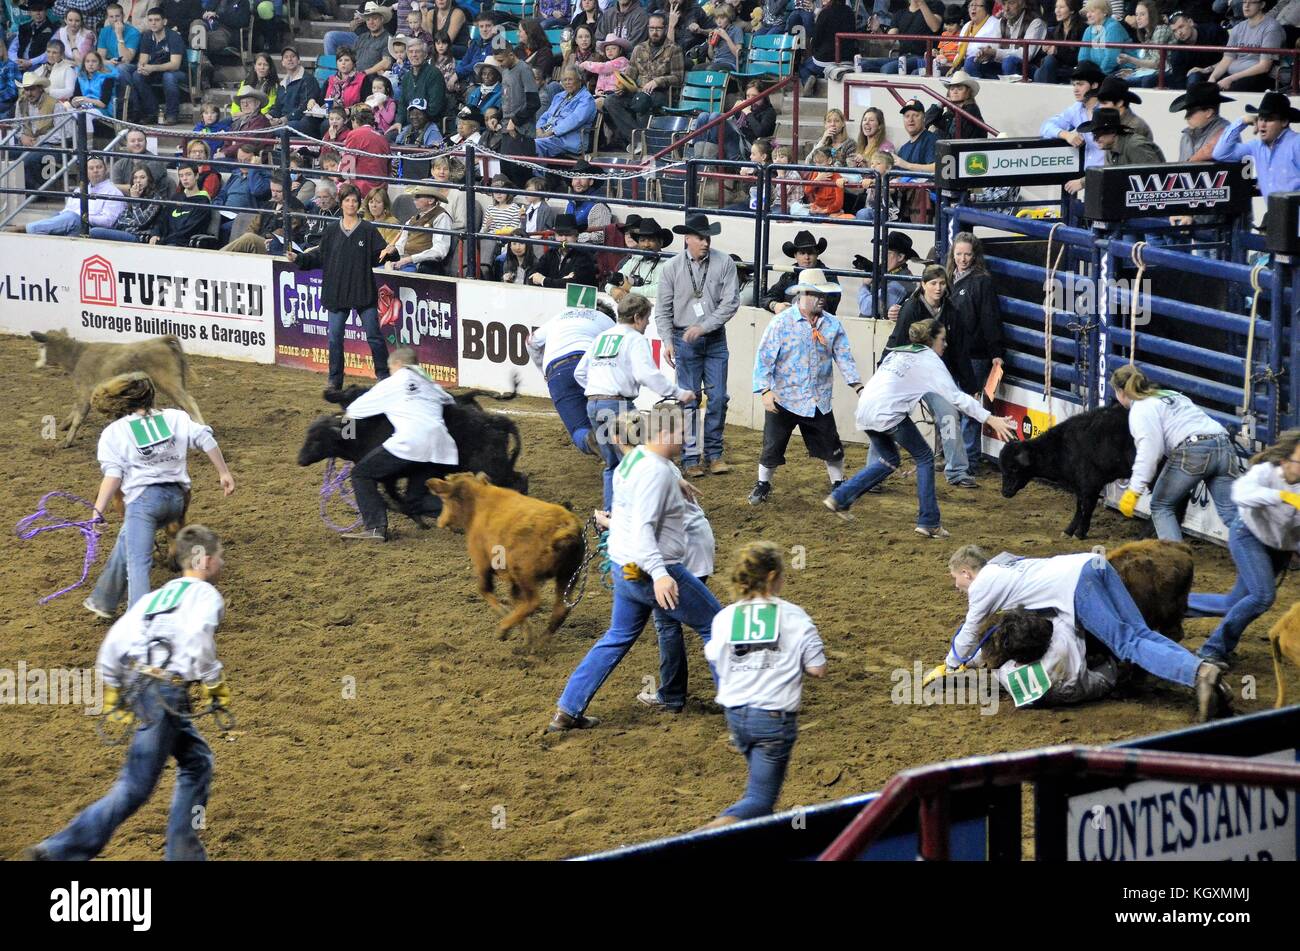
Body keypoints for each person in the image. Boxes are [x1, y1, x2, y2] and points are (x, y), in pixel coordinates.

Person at [26, 524, 230, 861]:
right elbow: (198, 637)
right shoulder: (206, 595)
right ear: (204, 560)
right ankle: (59, 850)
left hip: (141, 685)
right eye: (220, 557)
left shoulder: (155, 596)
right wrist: (213, 682)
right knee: (134, 787)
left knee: (197, 761)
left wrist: (113, 690)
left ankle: (185, 853)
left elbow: (116, 640)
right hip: (166, 693)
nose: (221, 563)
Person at [548, 403, 719, 732]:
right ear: (664, 433)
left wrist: (675, 480)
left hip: (623, 568)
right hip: (650, 567)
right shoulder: (654, 470)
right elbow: (643, 528)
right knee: (716, 625)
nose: (687, 440)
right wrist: (660, 575)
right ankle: (740, 711)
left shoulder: (634, 463)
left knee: (617, 636)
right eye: (682, 433)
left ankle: (567, 710)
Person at [941, 543, 1231, 722]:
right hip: (1090, 564)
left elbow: (970, 631)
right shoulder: (1005, 563)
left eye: (956, 580)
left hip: (1076, 585)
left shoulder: (981, 585)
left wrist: (952, 665)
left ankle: (1200, 674)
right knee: (1139, 632)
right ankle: (1204, 672)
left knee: (1127, 644)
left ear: (967, 572)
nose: (956, 587)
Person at [826, 319, 1013, 533]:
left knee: (889, 460)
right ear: (931, 340)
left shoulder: (899, 352)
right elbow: (956, 397)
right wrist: (990, 418)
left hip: (866, 409)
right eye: (942, 339)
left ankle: (840, 497)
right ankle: (929, 522)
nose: (945, 344)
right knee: (924, 457)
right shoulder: (929, 360)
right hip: (887, 412)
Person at [82, 372, 234, 616]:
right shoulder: (175, 417)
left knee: (138, 563)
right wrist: (224, 473)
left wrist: (97, 510)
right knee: (126, 541)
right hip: (175, 500)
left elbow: (113, 476)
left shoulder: (115, 431)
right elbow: (205, 438)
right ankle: (103, 600)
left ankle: (140, 619)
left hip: (143, 504)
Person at [700, 541, 826, 826]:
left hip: (736, 717)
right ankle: (708, 833)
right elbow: (817, 668)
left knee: (757, 795)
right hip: (772, 718)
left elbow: (714, 657)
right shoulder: (795, 616)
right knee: (759, 799)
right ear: (771, 577)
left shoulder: (724, 617)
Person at [749, 269, 862, 506]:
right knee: (772, 448)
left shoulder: (832, 325)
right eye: (815, 293)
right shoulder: (781, 323)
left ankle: (839, 485)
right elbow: (764, 358)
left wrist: (858, 386)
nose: (822, 298)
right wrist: (765, 391)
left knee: (832, 447)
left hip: (817, 399)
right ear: (802, 295)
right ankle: (762, 484)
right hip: (784, 397)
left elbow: (844, 357)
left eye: (823, 294)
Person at [1189, 431, 1300, 668]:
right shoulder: (1265, 473)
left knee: (1235, 602)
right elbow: (1240, 494)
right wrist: (1280, 496)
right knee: (1262, 597)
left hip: (1278, 548)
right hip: (1249, 536)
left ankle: (1172, 605)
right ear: (1284, 461)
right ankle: (1213, 649)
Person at [575, 294, 696, 507]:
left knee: (613, 464)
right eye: (647, 318)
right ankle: (647, 510)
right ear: (638, 317)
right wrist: (679, 393)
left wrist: (599, 390)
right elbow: (646, 375)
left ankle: (610, 523)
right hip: (617, 406)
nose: (647, 323)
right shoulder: (635, 339)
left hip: (594, 404)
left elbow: (580, 373)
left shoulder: (603, 337)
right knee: (640, 461)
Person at [337, 346, 456, 541]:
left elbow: (353, 410)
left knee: (361, 474)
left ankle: (375, 529)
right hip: (441, 446)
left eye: (390, 368)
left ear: (398, 364)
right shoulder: (430, 383)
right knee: (415, 500)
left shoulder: (392, 382)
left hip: (412, 442)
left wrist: (347, 441)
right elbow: (450, 401)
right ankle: (472, 512)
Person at [656, 213, 740, 478]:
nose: (705, 242)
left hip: (713, 338)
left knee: (718, 398)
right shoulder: (671, 268)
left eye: (707, 237)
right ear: (688, 239)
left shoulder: (724, 262)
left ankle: (714, 454)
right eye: (700, 238)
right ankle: (691, 457)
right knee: (689, 400)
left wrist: (703, 327)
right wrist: (668, 341)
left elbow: (731, 303)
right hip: (684, 340)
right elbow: (663, 309)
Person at [1111, 365, 1237, 541]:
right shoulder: (1171, 395)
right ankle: (1266, 554)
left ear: (1120, 392)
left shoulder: (1140, 409)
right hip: (1223, 444)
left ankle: (1175, 561)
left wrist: (1134, 490)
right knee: (1232, 514)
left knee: (1161, 506)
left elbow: (1150, 451)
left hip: (1194, 450)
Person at [287, 183, 393, 390]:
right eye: (347, 200)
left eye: (354, 200)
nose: (351, 204)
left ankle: (384, 376)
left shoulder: (368, 230)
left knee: (374, 335)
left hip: (362, 290)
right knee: (335, 338)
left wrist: (391, 252)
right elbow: (319, 257)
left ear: (358, 203)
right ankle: (335, 380)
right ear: (341, 202)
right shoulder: (331, 230)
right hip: (337, 291)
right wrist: (299, 258)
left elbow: (380, 256)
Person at [886, 267, 980, 489]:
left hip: (935, 377)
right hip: (908, 374)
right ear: (923, 285)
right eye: (933, 283)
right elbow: (899, 345)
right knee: (889, 415)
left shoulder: (952, 312)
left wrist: (969, 385)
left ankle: (957, 470)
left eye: (941, 283)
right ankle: (877, 469)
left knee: (948, 415)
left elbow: (959, 351)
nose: (938, 288)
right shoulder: (911, 309)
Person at [526, 294, 616, 455]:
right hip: (593, 367)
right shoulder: (608, 322)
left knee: (579, 430)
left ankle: (591, 440)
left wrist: (545, 372)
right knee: (616, 419)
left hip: (558, 371)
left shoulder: (562, 315)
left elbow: (531, 342)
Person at [946, 232, 1004, 479]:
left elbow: (990, 318)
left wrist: (996, 353)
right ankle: (955, 458)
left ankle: (968, 460)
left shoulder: (981, 282)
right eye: (958, 254)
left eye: (967, 254)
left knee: (969, 407)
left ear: (974, 255)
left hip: (974, 354)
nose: (962, 258)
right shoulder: (948, 279)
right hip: (952, 352)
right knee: (953, 405)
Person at [600, 12, 683, 151]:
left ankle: (643, 144)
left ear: (665, 28)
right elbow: (630, 74)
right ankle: (639, 139)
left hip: (661, 93)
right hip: (638, 91)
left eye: (658, 29)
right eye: (651, 29)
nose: (654, 32)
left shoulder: (674, 49)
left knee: (641, 101)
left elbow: (678, 78)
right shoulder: (639, 49)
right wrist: (622, 86)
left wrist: (658, 81)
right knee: (610, 100)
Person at [1212, 91, 1300, 198]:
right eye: (1260, 119)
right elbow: (1220, 153)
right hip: (1274, 213)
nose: (1262, 124)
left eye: (1269, 119)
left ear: (1284, 122)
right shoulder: (1256, 147)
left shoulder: (1296, 143)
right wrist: (1242, 121)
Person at [1041, 61, 1106, 196]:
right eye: (1074, 84)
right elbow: (1046, 126)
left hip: (1107, 179)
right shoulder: (1076, 109)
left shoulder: (1108, 110)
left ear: (1094, 85)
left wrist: (1083, 182)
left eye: (1080, 84)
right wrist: (1066, 134)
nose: (1075, 89)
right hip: (1091, 180)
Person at [18, 154, 123, 235]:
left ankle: (25, 229)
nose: (95, 171)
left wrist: (82, 216)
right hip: (71, 223)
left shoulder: (113, 192)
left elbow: (109, 221)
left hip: (89, 226)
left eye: (99, 167)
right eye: (91, 168)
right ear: (86, 172)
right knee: (56, 216)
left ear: (105, 169)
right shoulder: (79, 189)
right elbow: (66, 211)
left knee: (71, 218)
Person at [1192, 0, 1282, 92]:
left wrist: (1231, 79)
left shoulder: (1271, 28)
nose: (1246, 6)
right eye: (1244, 2)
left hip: (1256, 77)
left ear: (1262, 4)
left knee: (1233, 88)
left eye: (1252, 2)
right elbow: (1227, 59)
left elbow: (1264, 66)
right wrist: (1212, 78)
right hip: (1232, 74)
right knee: (1196, 79)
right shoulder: (1238, 28)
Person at [127, 8, 184, 124]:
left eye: (157, 20)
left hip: (178, 73)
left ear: (164, 21)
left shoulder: (173, 37)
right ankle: (152, 112)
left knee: (169, 76)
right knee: (137, 75)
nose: (153, 23)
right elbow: (143, 59)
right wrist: (142, 67)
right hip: (157, 70)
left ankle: (172, 114)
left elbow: (175, 65)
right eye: (150, 20)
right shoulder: (147, 36)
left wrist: (152, 68)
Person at [762, 230, 841, 314]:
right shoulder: (789, 275)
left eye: (810, 253)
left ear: (817, 254)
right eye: (802, 253)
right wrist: (775, 305)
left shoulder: (828, 275)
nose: (806, 257)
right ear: (795, 255)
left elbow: (830, 305)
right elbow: (766, 298)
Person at [385, 182, 453, 274]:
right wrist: (394, 249)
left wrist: (410, 259)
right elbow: (402, 242)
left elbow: (440, 250)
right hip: (405, 262)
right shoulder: (412, 219)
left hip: (424, 265)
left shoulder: (441, 217)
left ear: (431, 200)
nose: (414, 199)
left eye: (418, 196)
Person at [89, 164, 166, 242]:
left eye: (142, 177)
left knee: (94, 232)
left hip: (139, 236)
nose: (138, 181)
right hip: (125, 231)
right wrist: (133, 223)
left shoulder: (155, 198)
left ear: (149, 179)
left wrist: (135, 200)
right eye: (135, 178)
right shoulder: (133, 194)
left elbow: (141, 222)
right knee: (89, 228)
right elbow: (120, 220)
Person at [534, 65, 597, 157]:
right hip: (550, 137)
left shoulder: (586, 99)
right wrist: (539, 128)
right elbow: (547, 115)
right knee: (523, 143)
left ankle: (538, 171)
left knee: (536, 144)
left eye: (570, 79)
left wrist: (552, 132)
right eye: (564, 80)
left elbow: (574, 120)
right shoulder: (559, 96)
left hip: (569, 141)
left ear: (579, 80)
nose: (567, 83)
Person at [856, 231, 918, 319]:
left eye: (887, 253)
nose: (882, 256)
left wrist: (865, 285)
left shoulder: (900, 282)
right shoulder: (896, 274)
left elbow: (867, 308)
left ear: (900, 257)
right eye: (882, 252)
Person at [527, 212, 600, 288]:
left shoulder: (584, 256)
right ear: (555, 236)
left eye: (568, 234)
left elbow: (572, 284)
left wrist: (543, 280)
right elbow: (531, 276)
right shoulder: (550, 254)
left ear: (576, 236)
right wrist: (561, 281)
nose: (564, 239)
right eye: (560, 235)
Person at [149, 162, 212, 247]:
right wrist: (155, 234)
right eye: (181, 176)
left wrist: (164, 241)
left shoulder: (203, 202)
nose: (184, 179)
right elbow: (162, 219)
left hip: (183, 244)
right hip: (166, 242)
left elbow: (190, 229)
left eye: (188, 174)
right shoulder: (176, 197)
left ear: (196, 176)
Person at [610, 216, 671, 302]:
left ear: (660, 242)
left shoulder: (668, 263)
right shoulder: (634, 259)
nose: (646, 244)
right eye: (642, 240)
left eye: (651, 240)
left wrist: (630, 289)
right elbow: (613, 280)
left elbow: (661, 290)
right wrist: (613, 290)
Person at [799, 0, 856, 93]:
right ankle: (818, 75)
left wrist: (815, 51)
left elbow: (816, 39)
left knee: (802, 66)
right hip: (847, 58)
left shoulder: (825, 12)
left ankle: (808, 79)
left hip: (825, 59)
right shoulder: (850, 12)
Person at [1080, 106, 1166, 164]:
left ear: (1113, 132)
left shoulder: (1135, 146)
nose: (1095, 139)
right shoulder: (1110, 147)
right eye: (1094, 134)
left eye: (1098, 134)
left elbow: (1156, 175)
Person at [1114, 0, 1172, 87]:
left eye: (1142, 14)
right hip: (1150, 71)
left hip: (1167, 71)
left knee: (1144, 81)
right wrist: (1133, 72)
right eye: (1137, 14)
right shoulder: (1146, 34)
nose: (1138, 18)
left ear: (1152, 15)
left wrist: (1130, 59)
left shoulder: (1161, 30)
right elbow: (1147, 61)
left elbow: (1157, 63)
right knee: (1115, 77)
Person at [269, 45, 322, 136]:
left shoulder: (308, 79)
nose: (289, 59)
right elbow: (277, 108)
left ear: (298, 61)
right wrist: (269, 116)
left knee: (283, 129)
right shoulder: (282, 84)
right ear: (282, 63)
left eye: (293, 56)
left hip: (301, 122)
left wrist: (284, 119)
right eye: (286, 57)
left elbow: (305, 107)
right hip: (283, 121)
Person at [1034, 0, 1085, 84]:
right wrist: (1045, 49)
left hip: (1073, 69)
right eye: (1056, 7)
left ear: (1072, 10)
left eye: (1061, 7)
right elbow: (1042, 56)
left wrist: (1057, 51)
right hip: (1055, 68)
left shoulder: (1082, 29)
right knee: (1039, 70)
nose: (1057, 11)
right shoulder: (1054, 30)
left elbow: (1078, 58)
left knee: (1046, 65)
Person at [1076, 0, 1130, 76]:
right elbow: (1083, 57)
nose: (1088, 15)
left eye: (1092, 11)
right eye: (1087, 12)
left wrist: (1097, 76)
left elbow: (1111, 58)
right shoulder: (1088, 30)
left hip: (1122, 70)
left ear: (1104, 12)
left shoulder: (1113, 27)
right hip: (1100, 72)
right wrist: (1083, 73)